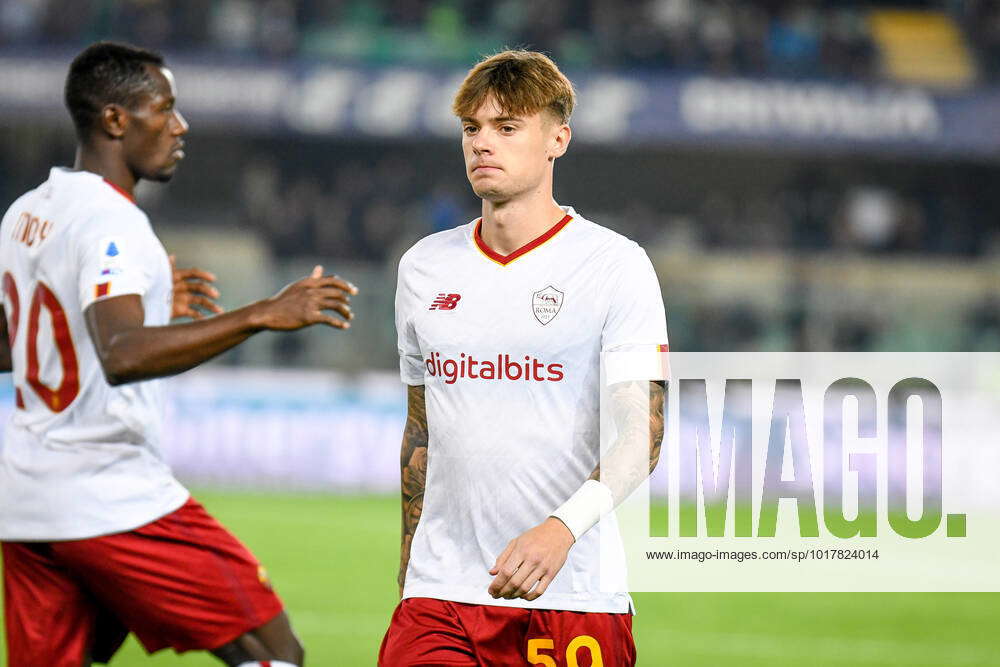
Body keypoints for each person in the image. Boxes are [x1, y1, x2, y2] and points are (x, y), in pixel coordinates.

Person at [0, 41, 356, 667]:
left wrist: (149, 299)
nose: (180, 126)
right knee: (274, 653)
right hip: (106, 491)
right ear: (115, 120)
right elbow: (122, 353)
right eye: (164, 108)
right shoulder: (112, 223)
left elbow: (20, 347)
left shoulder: (28, 212)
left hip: (27, 502)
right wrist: (261, 313)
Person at [380, 50, 669, 666]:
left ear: (556, 139)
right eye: (472, 129)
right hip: (440, 599)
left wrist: (562, 528)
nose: (483, 144)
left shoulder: (615, 265)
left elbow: (642, 432)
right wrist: (410, 571)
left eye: (507, 128)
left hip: (572, 598)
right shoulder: (423, 267)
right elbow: (421, 430)